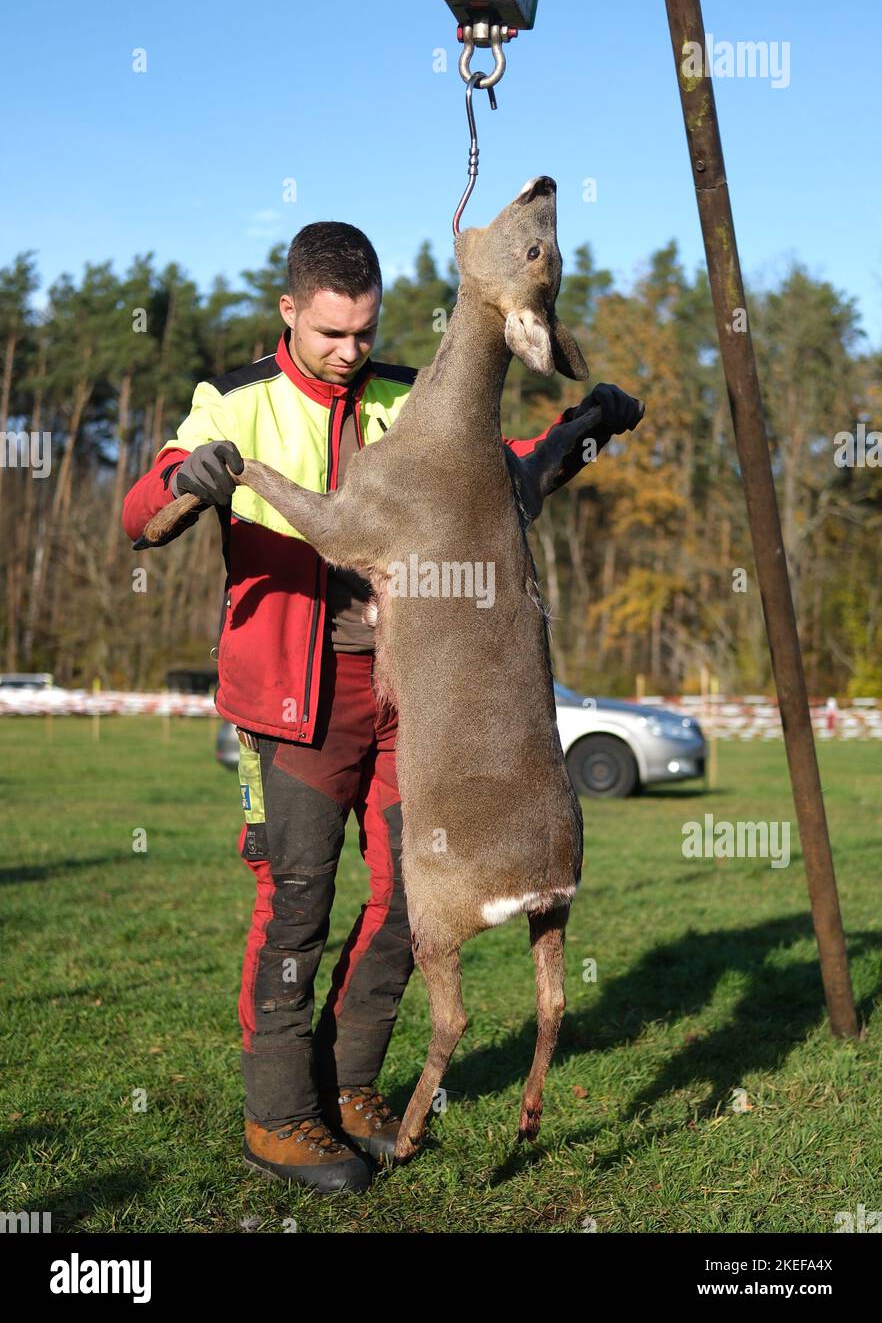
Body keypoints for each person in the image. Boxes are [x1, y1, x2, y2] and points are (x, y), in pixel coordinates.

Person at [122, 221, 644, 1194]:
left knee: (408, 904)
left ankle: (352, 1085)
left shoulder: (409, 392)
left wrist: (582, 435)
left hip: (410, 700)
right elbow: (142, 505)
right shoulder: (239, 400)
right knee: (298, 904)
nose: (351, 352)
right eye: (331, 335)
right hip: (292, 698)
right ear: (290, 312)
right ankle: (279, 1114)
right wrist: (186, 483)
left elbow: (503, 475)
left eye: (363, 332)